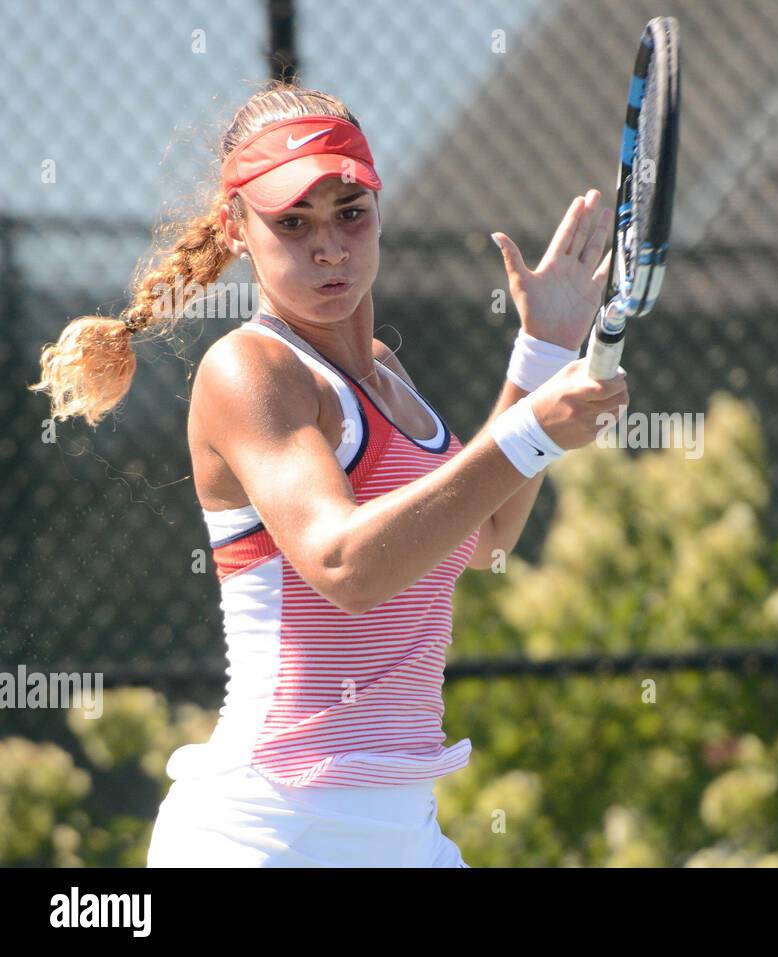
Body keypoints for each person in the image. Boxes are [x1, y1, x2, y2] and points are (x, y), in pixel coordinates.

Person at [30, 83, 629, 866]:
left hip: (403, 826)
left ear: (379, 208)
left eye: (350, 212)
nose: (329, 248)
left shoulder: (384, 372)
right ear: (235, 229)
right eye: (292, 223)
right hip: (269, 830)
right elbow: (345, 565)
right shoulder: (248, 369)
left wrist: (543, 352)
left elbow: (482, 536)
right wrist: (528, 429)